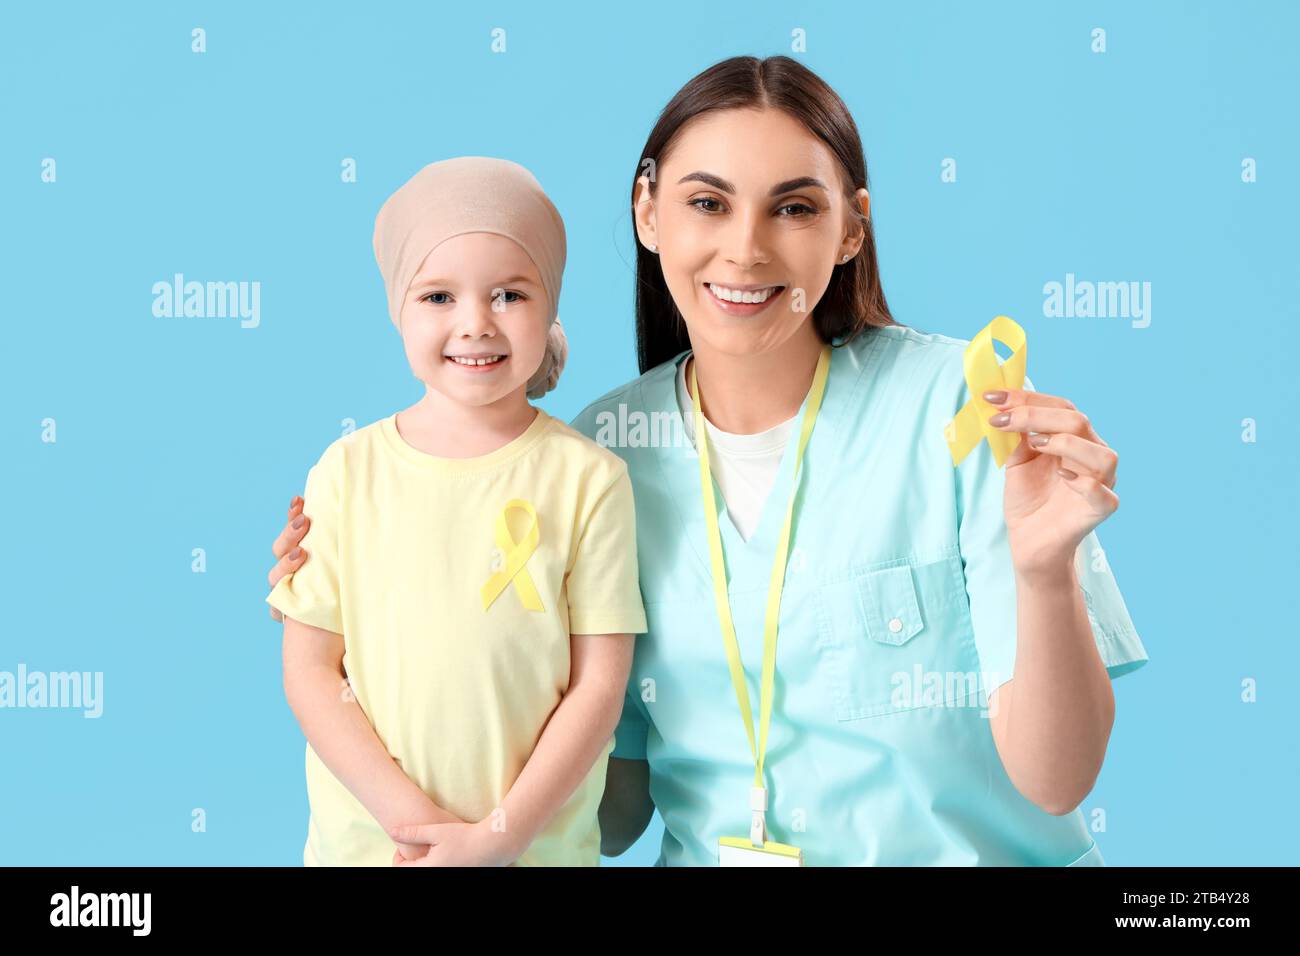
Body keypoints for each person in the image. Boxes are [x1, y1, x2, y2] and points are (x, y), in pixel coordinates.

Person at [269, 57, 1148, 866]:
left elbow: (1057, 779)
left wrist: (1043, 575)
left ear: (851, 229)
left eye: (795, 207)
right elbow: (611, 818)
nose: (747, 249)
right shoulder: (595, 459)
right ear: (648, 212)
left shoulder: (961, 410)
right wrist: (411, 607)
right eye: (707, 202)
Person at [265, 157, 647, 866]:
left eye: (509, 293)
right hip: (375, 851)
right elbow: (312, 674)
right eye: (438, 296)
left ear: (549, 305)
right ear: (398, 310)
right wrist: (415, 826)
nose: (475, 323)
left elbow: (598, 689)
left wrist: (495, 840)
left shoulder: (590, 481)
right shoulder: (346, 474)